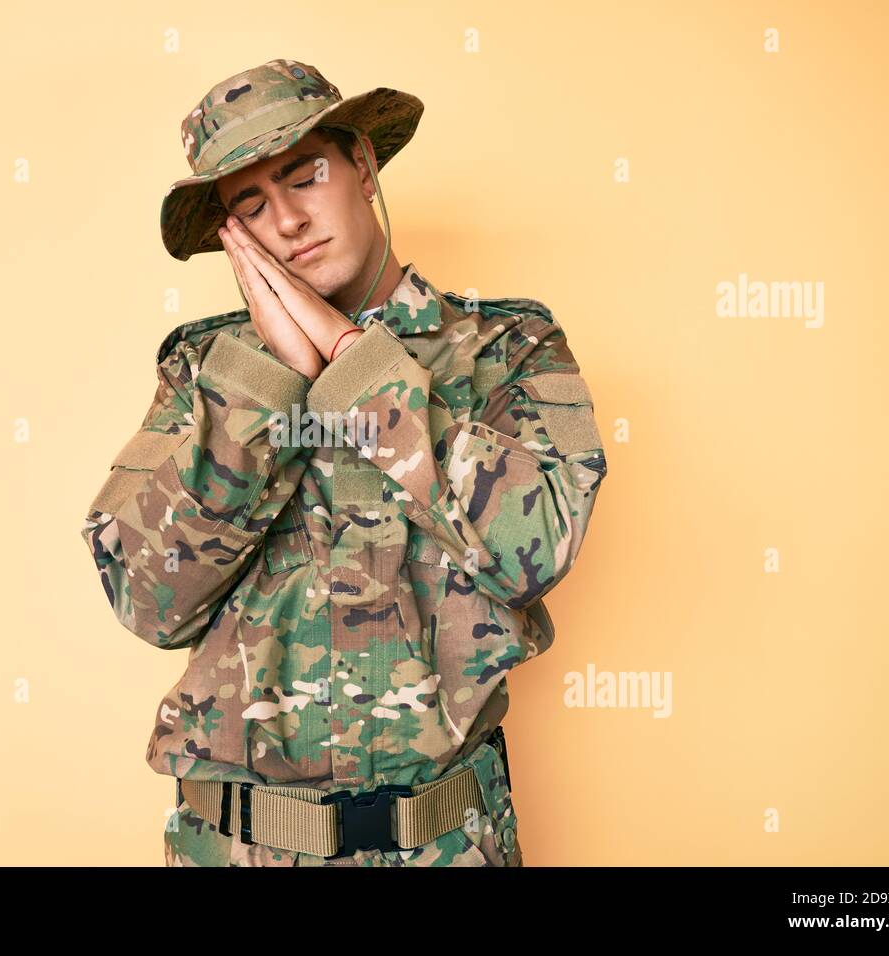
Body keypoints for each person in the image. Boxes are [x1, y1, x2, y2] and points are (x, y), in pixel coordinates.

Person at [81, 58, 609, 866]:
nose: (287, 220)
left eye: (305, 177)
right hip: (235, 848)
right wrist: (265, 389)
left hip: (442, 845)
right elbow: (150, 602)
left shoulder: (506, 349)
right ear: (232, 237)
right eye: (251, 205)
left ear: (362, 167)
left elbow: (531, 551)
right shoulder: (203, 375)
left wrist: (350, 360)